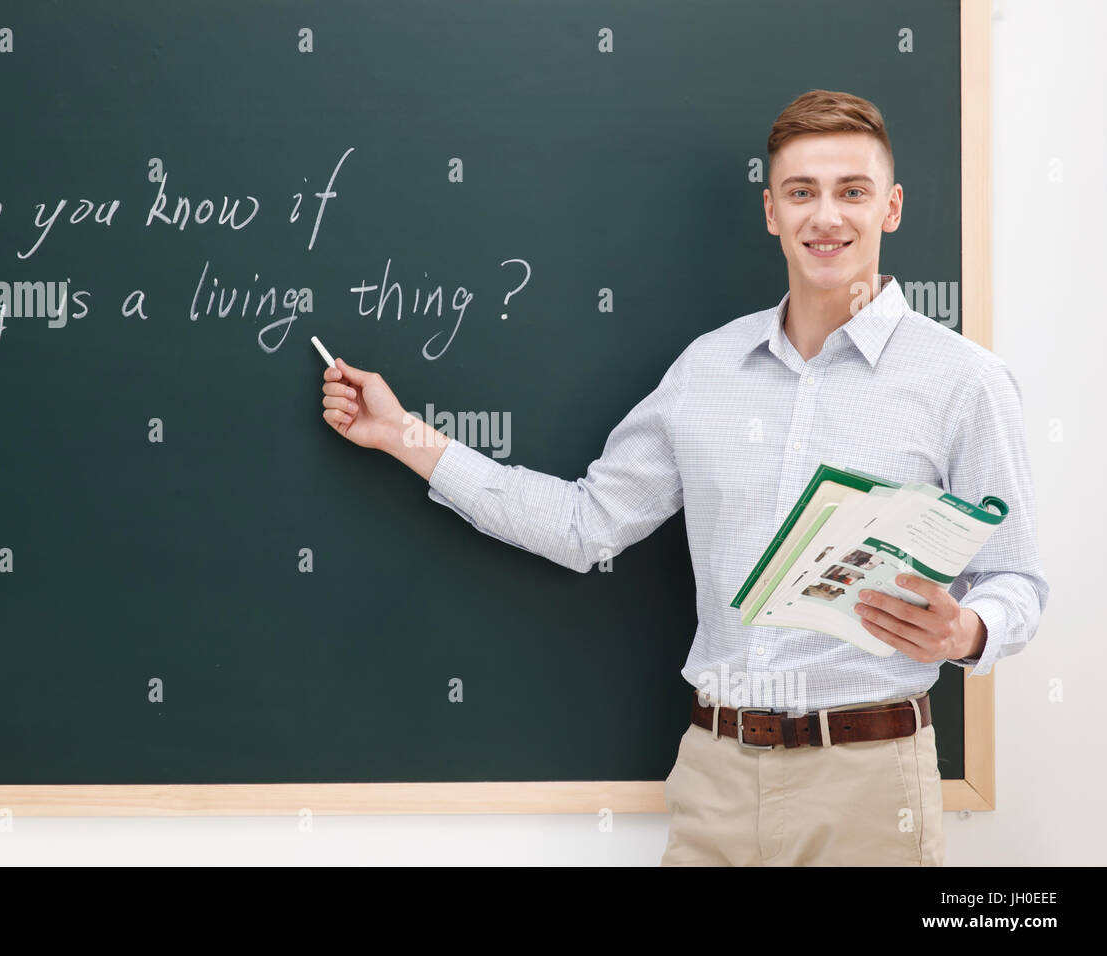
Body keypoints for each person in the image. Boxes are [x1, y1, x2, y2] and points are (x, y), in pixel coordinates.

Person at [316, 89, 1049, 866]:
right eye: (802, 192)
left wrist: (968, 630)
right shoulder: (707, 369)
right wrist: (404, 433)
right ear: (772, 212)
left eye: (852, 192)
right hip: (715, 775)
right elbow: (584, 524)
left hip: (869, 784)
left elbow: (1017, 579)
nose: (826, 217)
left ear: (891, 208)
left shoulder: (963, 381)